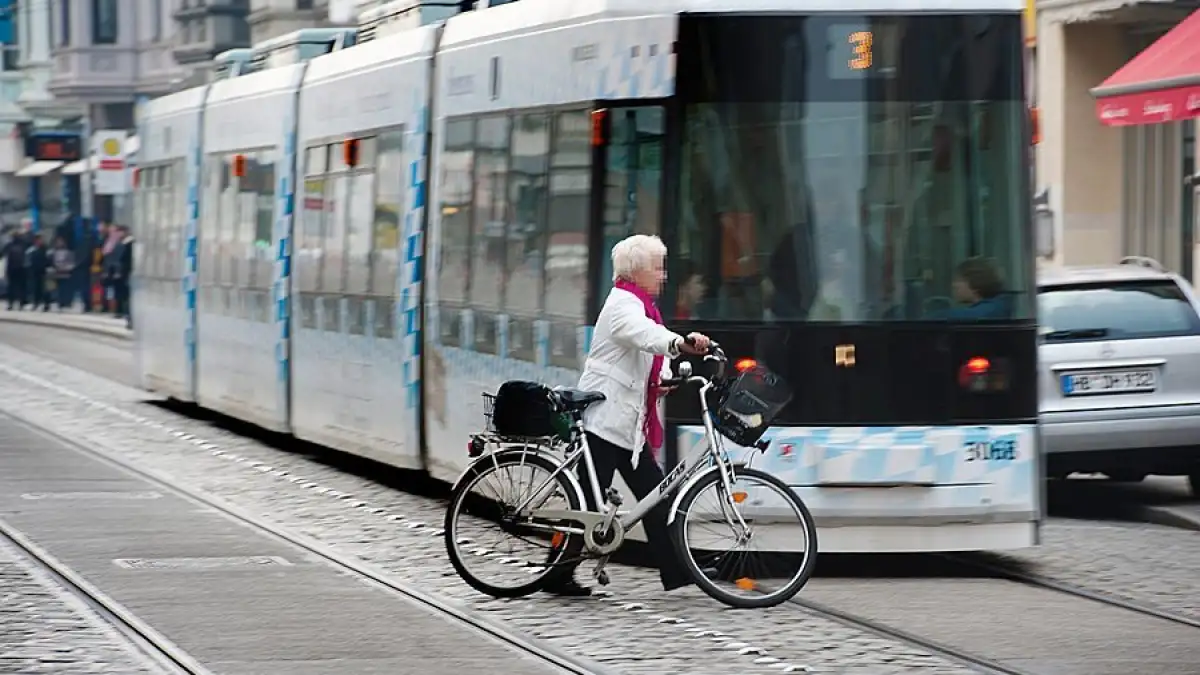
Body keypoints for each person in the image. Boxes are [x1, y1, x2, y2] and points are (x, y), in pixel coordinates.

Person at [544, 234, 712, 597]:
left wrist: (663, 380)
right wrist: (681, 343)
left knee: (655, 497)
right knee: (586, 501)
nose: (664, 275)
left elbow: (642, 354)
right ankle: (556, 573)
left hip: (626, 423)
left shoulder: (641, 304)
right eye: (657, 267)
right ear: (636, 271)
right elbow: (645, 336)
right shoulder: (624, 304)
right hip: (607, 420)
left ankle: (678, 571)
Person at [24, 234, 50, 311]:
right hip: (35, 272)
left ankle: (46, 304)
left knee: (44, 289)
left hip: (43, 271)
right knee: (35, 289)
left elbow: (48, 259)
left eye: (41, 239)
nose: (40, 241)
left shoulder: (45, 249)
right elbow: (29, 261)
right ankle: (36, 303)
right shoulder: (32, 249)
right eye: (38, 239)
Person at [50, 237, 76, 310]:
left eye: (61, 242)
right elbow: (52, 262)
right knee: (59, 288)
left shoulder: (68, 252)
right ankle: (60, 302)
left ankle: (67, 302)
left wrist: (66, 267)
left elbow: (72, 263)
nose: (59, 244)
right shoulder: (54, 252)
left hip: (66, 273)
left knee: (66, 288)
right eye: (58, 242)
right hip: (58, 273)